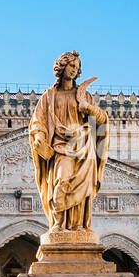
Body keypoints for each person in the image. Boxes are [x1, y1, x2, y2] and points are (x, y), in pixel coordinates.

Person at [29, 50, 109, 231]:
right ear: (62, 66)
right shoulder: (49, 96)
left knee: (81, 189)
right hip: (60, 147)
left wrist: (89, 109)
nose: (74, 70)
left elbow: (102, 120)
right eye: (71, 65)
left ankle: (77, 226)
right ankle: (58, 225)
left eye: (77, 67)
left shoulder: (84, 96)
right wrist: (40, 137)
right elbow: (38, 121)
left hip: (82, 146)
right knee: (61, 181)